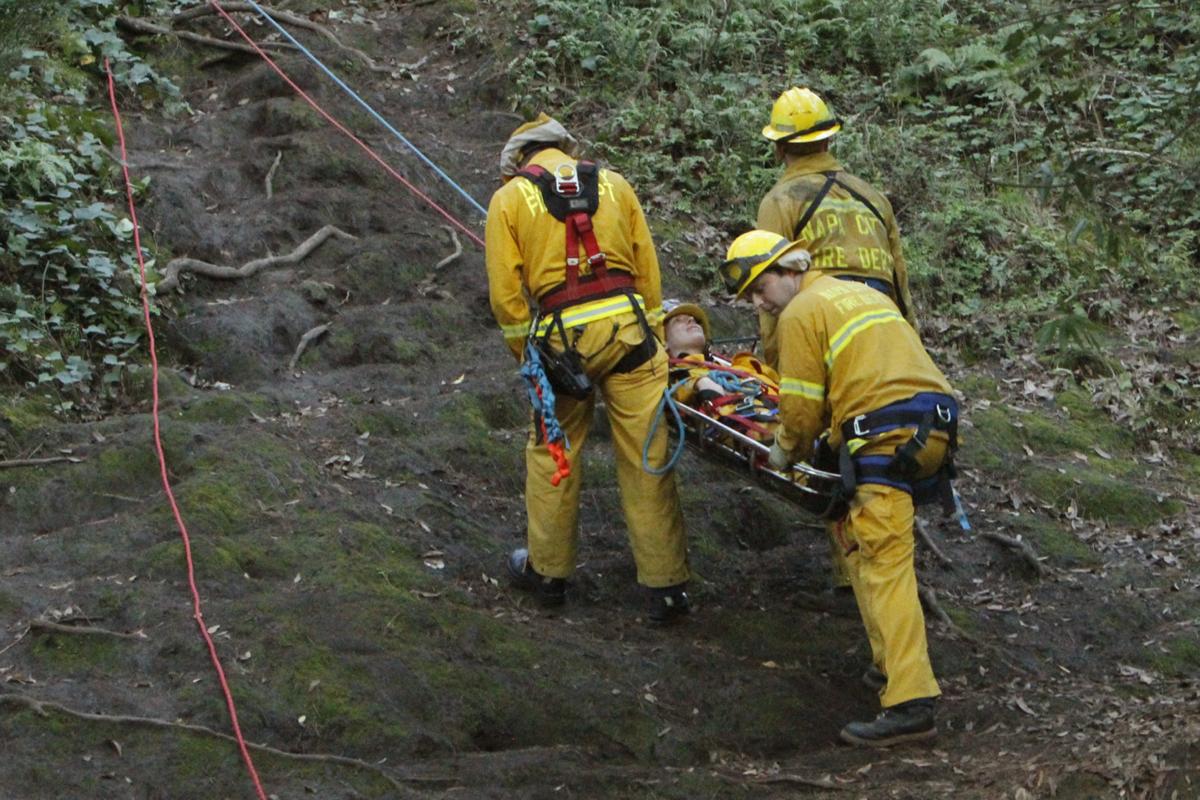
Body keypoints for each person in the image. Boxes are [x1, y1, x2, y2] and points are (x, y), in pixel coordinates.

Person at [721, 229, 959, 747]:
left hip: (884, 434)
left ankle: (911, 702)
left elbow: (801, 410)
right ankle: (889, 666)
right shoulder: (861, 293)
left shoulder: (803, 311)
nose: (759, 303)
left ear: (788, 270)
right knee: (858, 539)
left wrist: (781, 451)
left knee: (883, 562)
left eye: (761, 289)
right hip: (932, 426)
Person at [485, 113, 690, 623]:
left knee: (555, 451)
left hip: (562, 345)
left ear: (519, 159)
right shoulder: (617, 186)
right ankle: (666, 588)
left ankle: (548, 574)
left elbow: (507, 300)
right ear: (563, 148)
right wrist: (655, 332)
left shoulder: (509, 199)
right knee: (648, 452)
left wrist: (530, 361)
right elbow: (648, 272)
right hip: (630, 334)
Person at [755, 86, 918, 368]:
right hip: (883, 321)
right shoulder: (873, 197)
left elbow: (770, 287)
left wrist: (775, 364)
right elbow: (899, 279)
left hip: (822, 325)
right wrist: (912, 342)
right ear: (828, 141)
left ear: (779, 149)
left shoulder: (780, 201)